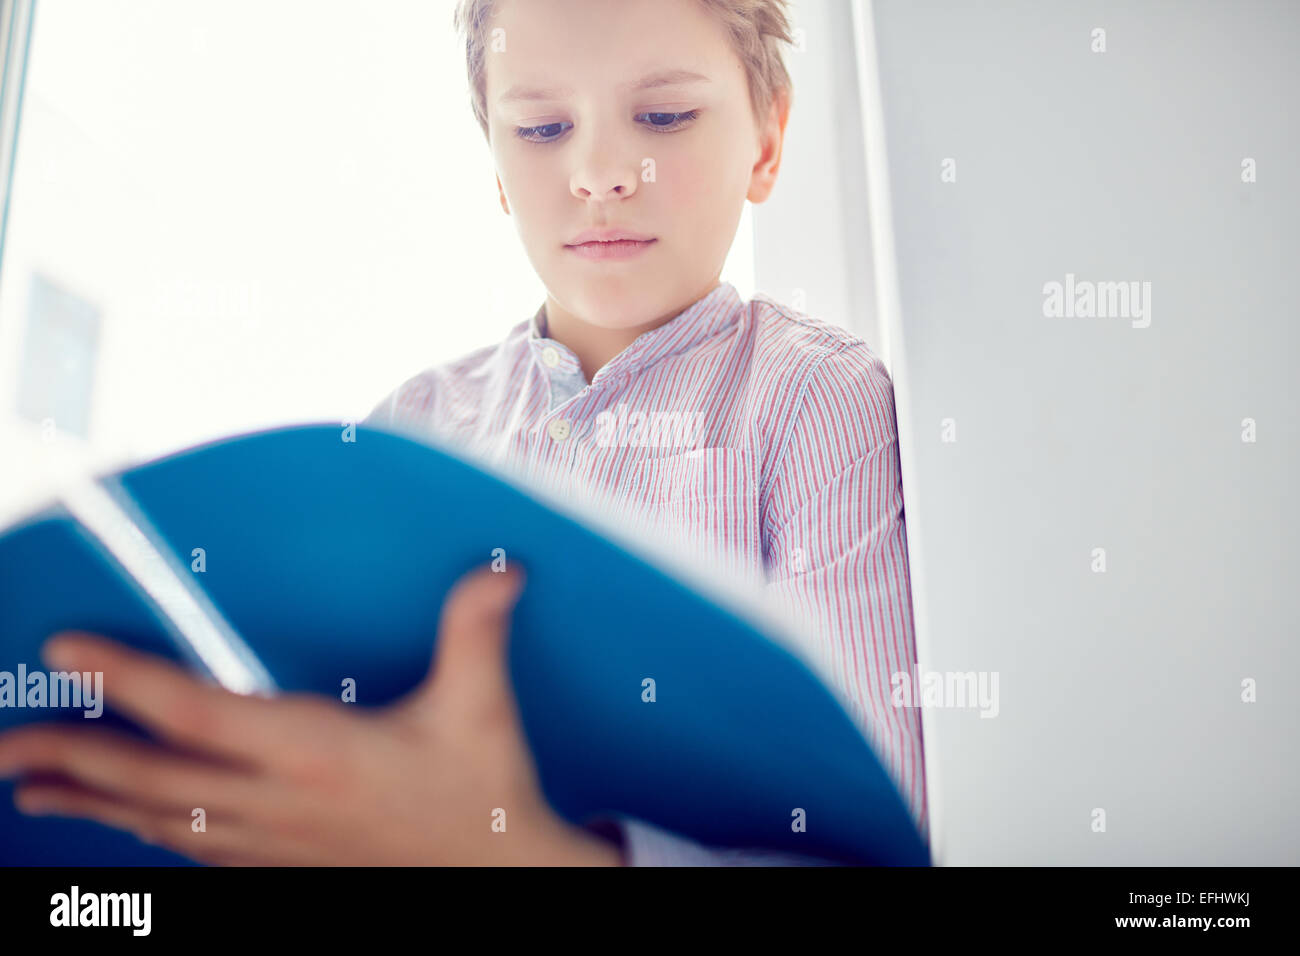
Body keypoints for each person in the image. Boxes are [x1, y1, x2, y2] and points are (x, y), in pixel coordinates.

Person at [0, 0, 926, 866]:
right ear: (495, 165)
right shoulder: (412, 429)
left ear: (767, 139)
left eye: (666, 118)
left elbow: (883, 836)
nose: (600, 171)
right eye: (542, 129)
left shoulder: (819, 402)